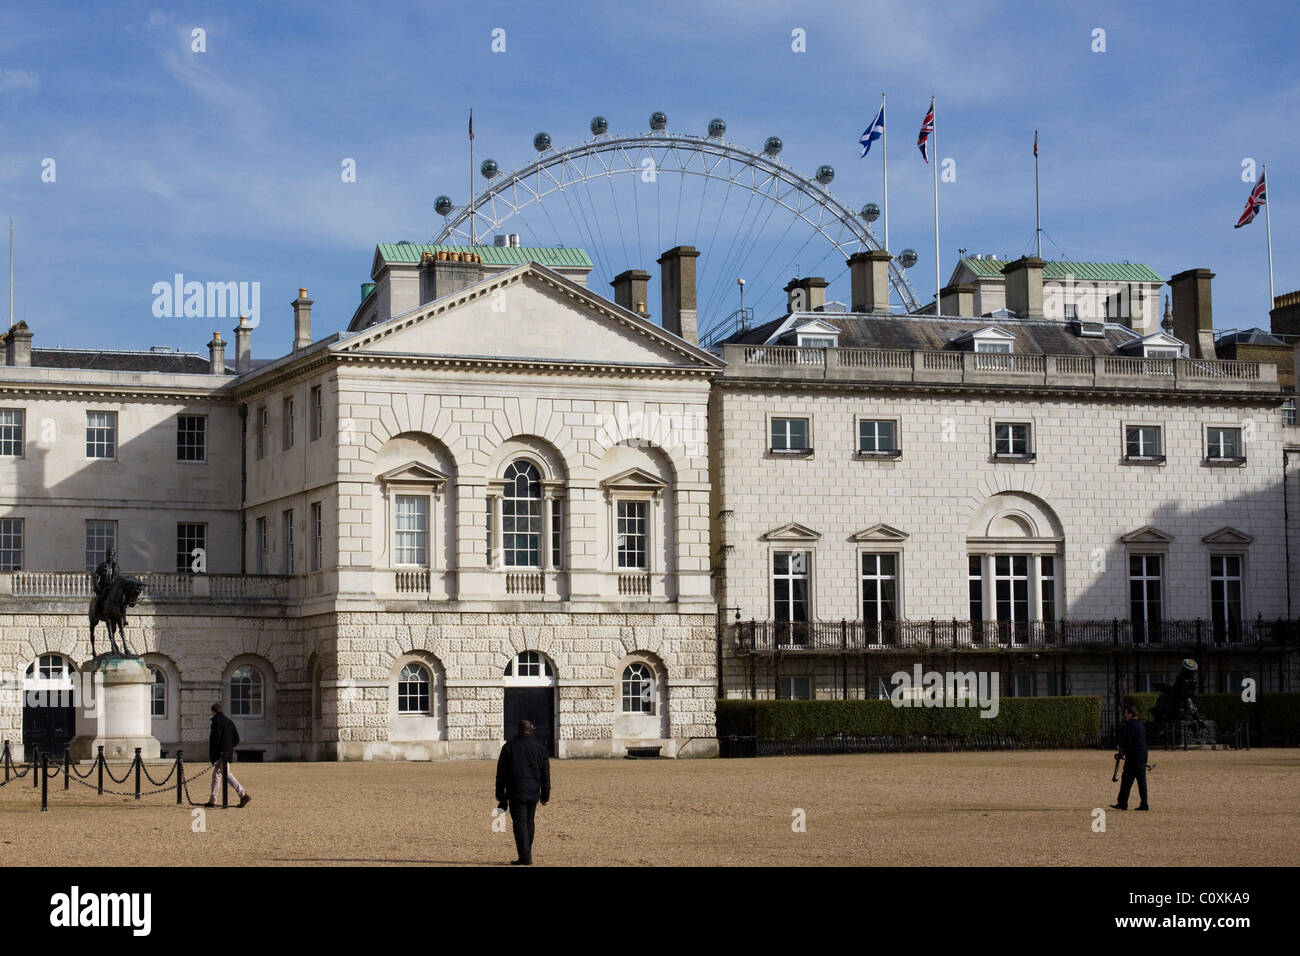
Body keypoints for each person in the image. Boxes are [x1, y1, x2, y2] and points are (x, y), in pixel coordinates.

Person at [495, 719, 551, 865]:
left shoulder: (509, 747)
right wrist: (545, 795)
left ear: (518, 730)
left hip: (515, 791)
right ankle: (526, 853)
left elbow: (501, 773)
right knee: (529, 822)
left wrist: (500, 794)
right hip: (533, 791)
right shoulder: (540, 748)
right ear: (530, 730)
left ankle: (525, 856)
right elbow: (545, 774)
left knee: (520, 823)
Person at [205, 702, 251, 808]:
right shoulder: (229, 722)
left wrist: (214, 755)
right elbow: (236, 739)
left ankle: (243, 794)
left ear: (213, 711)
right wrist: (228, 748)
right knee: (217, 775)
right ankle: (213, 799)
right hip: (226, 753)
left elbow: (215, 741)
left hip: (220, 754)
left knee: (226, 775)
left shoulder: (216, 722)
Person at [1111, 701, 1150, 811]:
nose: (1125, 715)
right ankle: (1144, 804)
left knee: (1126, 780)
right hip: (1142, 755)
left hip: (1133, 757)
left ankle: (1122, 803)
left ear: (1131, 714)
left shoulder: (1130, 725)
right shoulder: (1140, 725)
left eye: (1126, 713)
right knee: (1141, 781)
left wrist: (1121, 747)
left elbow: (1127, 740)